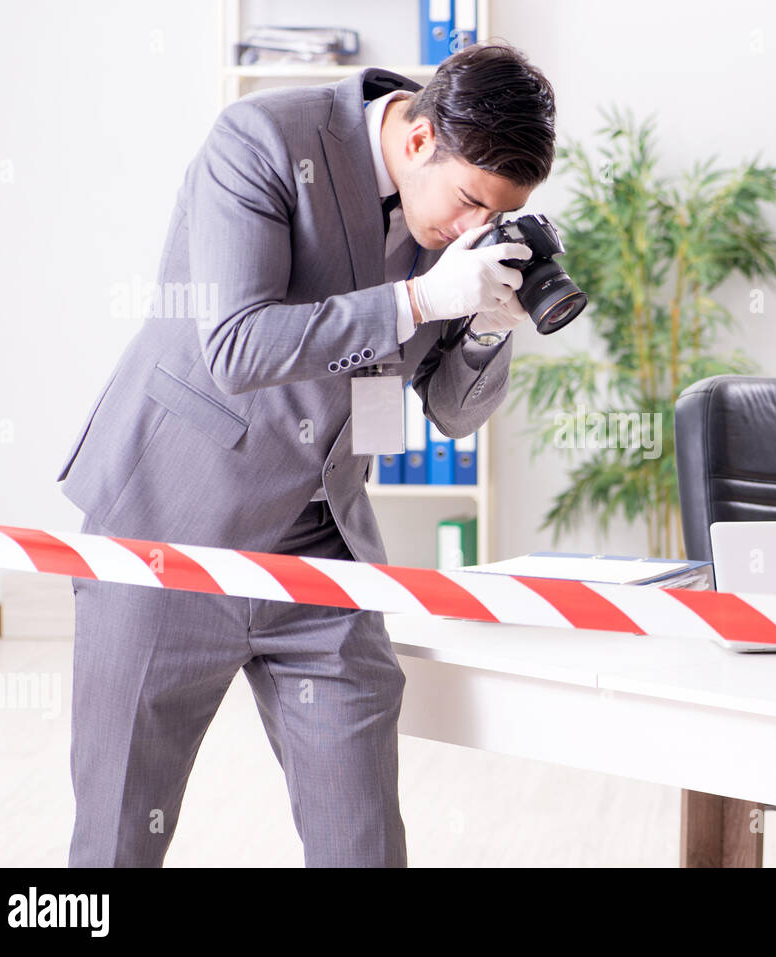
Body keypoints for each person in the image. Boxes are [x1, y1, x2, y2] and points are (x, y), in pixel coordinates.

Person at [55, 42, 557, 866]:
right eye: (470, 202)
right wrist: (422, 296)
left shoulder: (458, 221)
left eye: (493, 214)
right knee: (117, 836)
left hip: (318, 549)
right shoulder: (260, 140)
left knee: (362, 840)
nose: (472, 229)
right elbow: (238, 347)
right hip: (165, 530)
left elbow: (451, 413)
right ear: (420, 138)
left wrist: (489, 326)